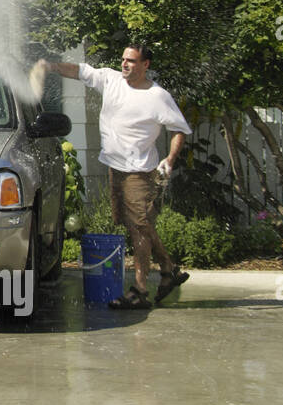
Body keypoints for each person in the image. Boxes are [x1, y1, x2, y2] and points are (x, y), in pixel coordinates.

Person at [40, 45, 192, 309]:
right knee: (138, 225)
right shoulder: (111, 80)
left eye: (131, 61)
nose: (125, 64)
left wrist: (170, 159)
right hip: (115, 168)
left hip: (140, 172)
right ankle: (168, 269)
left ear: (146, 65)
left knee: (139, 229)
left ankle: (140, 290)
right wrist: (51, 66)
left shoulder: (158, 96)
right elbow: (80, 71)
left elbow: (179, 129)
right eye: (123, 59)